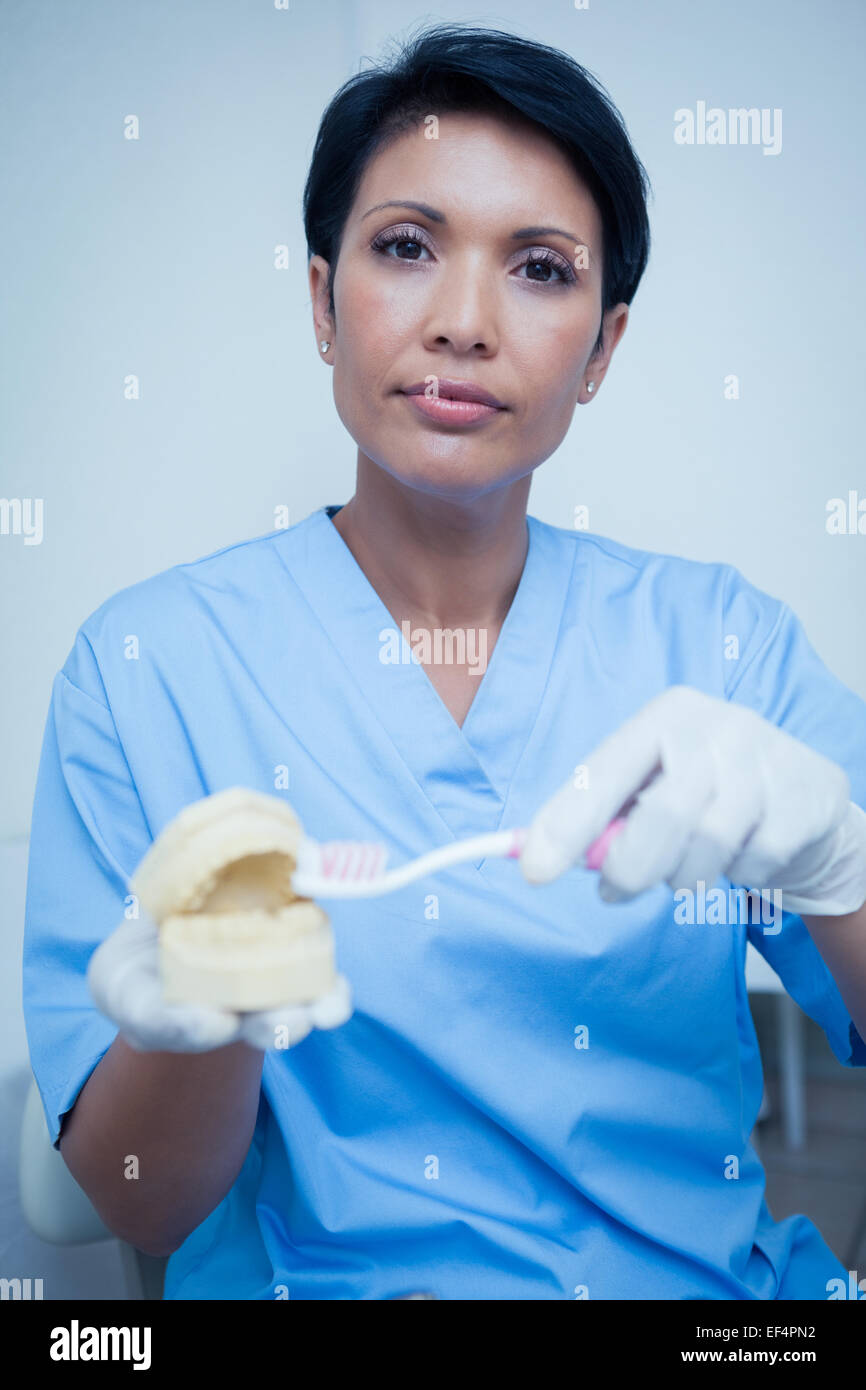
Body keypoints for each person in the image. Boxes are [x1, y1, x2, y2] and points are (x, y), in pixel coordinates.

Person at [22, 22, 866, 1301]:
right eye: (406, 247)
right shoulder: (146, 670)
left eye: (538, 269)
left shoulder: (721, 650)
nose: (463, 323)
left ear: (601, 348)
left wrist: (838, 863)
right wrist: (202, 1021)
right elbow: (140, 1198)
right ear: (321, 300)